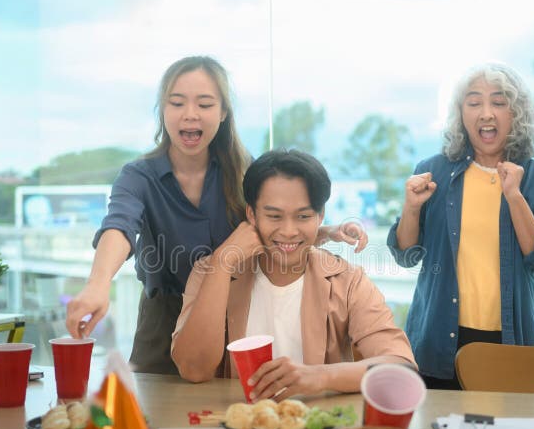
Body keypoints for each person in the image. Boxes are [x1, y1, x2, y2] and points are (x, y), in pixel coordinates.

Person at [65, 56, 367, 375]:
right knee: (155, 415)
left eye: (205, 104)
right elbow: (119, 226)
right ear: (162, 110)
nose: (190, 114)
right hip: (162, 319)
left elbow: (270, 227)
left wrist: (325, 232)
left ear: (223, 112)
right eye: (177, 102)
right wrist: (98, 285)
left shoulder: (244, 170)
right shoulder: (138, 176)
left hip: (233, 312)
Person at [171, 149, 415, 400]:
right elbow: (194, 370)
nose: (289, 231)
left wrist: (320, 376)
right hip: (236, 422)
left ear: (320, 216)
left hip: (318, 428)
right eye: (274, 216)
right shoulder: (210, 272)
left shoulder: (347, 281)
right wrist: (223, 263)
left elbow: (401, 367)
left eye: (303, 216)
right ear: (251, 215)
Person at [386, 62, 534, 390]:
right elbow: (405, 255)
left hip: (510, 346)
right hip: (436, 345)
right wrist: (411, 209)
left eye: (498, 102)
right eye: (474, 103)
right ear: (461, 114)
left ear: (517, 113)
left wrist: (514, 195)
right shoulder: (433, 172)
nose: (486, 113)